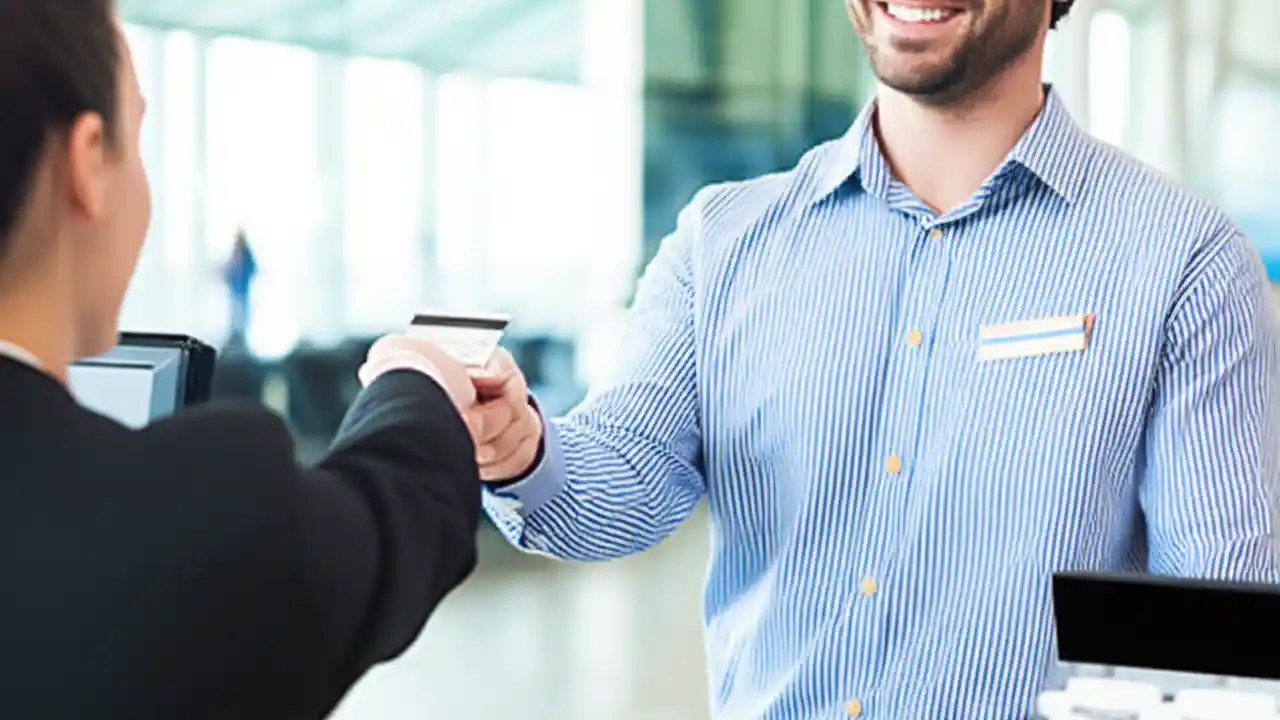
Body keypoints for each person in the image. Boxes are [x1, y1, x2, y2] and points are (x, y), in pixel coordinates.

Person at [465, 0, 1280, 716]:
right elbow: (619, 485)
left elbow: (1212, 631)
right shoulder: (724, 242)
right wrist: (516, 446)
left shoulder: (1182, 261)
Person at [0, 2, 480, 717]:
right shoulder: (191, 518)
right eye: (138, 138)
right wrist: (421, 374)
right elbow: (401, 510)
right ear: (88, 162)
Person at [221, 226, 258, 344]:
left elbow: (252, 269)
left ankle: (241, 338)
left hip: (242, 291)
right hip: (235, 291)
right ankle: (235, 337)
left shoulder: (247, 254)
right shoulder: (235, 253)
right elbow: (229, 271)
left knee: (242, 316)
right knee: (235, 315)